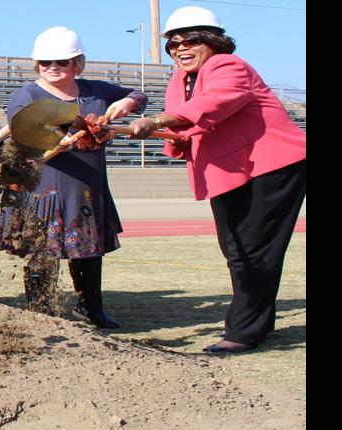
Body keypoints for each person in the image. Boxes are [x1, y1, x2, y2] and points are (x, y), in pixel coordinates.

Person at [128, 7, 306, 355]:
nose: (180, 48)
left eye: (191, 39)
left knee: (251, 252)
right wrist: (151, 131)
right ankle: (259, 322)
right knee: (236, 250)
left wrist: (157, 120)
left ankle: (243, 331)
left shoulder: (228, 66)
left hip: (273, 166)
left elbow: (217, 102)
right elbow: (185, 130)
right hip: (230, 171)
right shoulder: (180, 80)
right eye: (172, 44)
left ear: (214, 41)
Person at [0, 26, 145, 329]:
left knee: (88, 250)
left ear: (77, 63)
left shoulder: (95, 90)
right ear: (37, 64)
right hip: (43, 186)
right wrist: (58, 141)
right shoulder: (28, 95)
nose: (53, 68)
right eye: (46, 62)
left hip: (86, 186)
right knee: (42, 251)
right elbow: (23, 133)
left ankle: (91, 307)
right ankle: (42, 310)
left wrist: (127, 105)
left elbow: (139, 95)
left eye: (62, 62)